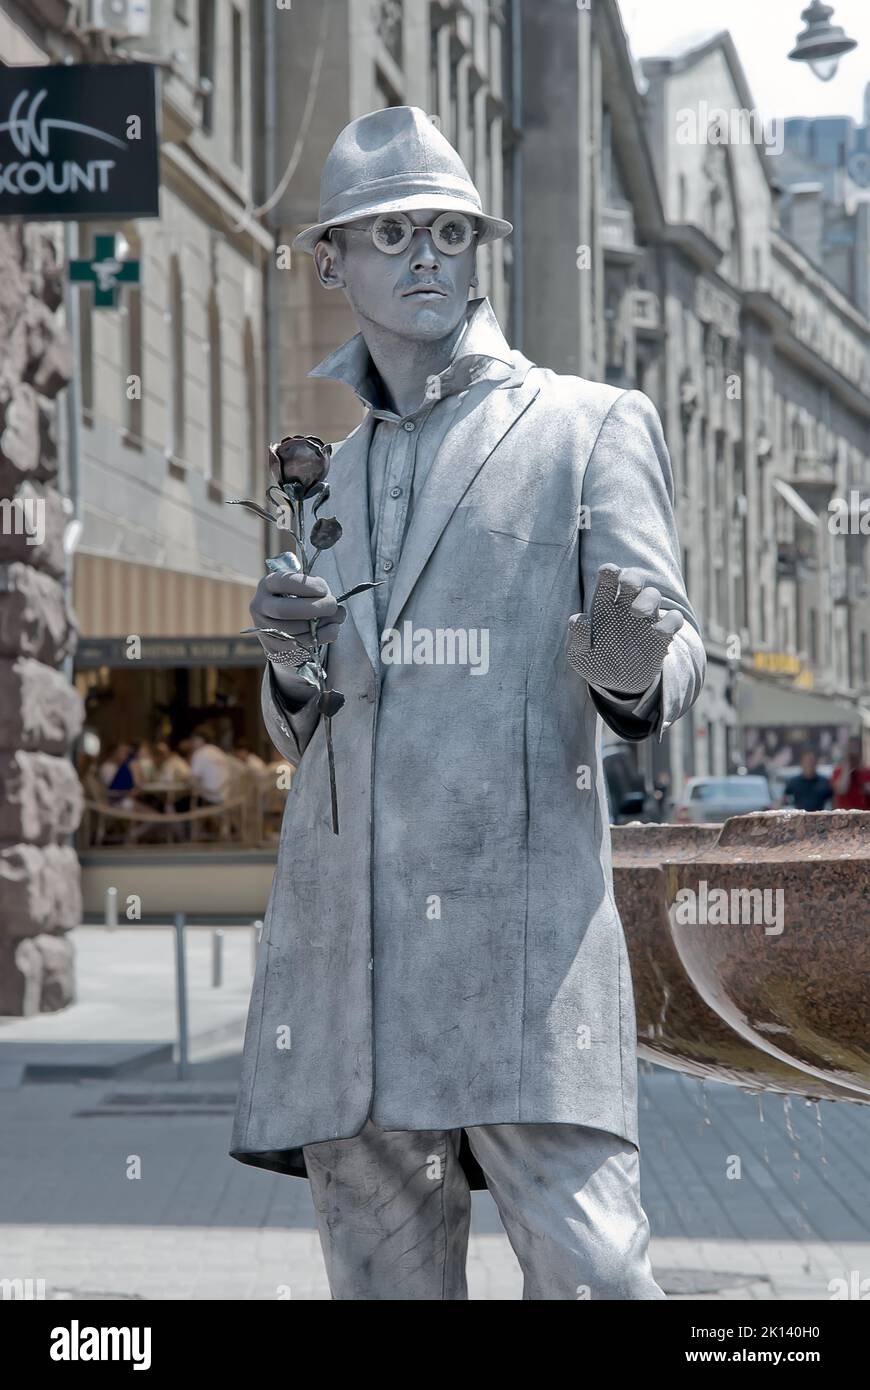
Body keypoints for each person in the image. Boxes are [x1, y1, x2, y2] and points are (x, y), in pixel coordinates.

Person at [229, 107, 705, 1300]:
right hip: (349, 985)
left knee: (600, 1279)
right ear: (331, 260)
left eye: (449, 228)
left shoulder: (586, 427)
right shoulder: (326, 479)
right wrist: (288, 666)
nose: (427, 253)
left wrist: (631, 665)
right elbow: (312, 721)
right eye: (391, 233)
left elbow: (678, 650)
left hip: (524, 966)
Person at [188, 725, 231, 806]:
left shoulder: (200, 753)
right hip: (223, 797)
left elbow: (193, 780)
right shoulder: (219, 752)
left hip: (209, 798)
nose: (192, 743)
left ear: (200, 739)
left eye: (194, 739)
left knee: (177, 801)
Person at [831, 735, 870, 810]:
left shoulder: (867, 772)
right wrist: (847, 766)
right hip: (844, 816)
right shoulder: (838, 772)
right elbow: (842, 789)